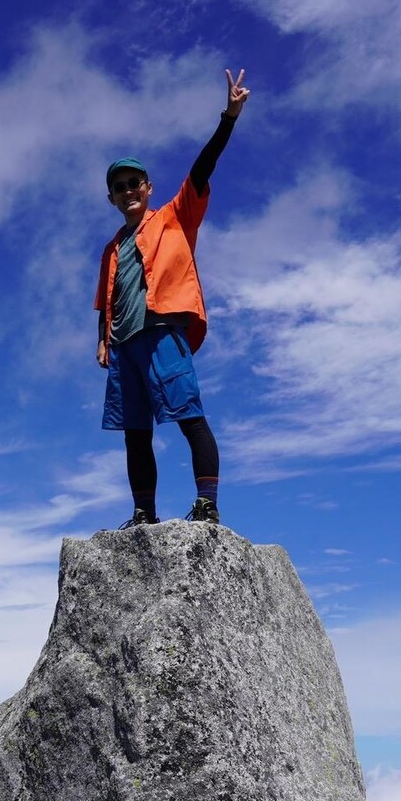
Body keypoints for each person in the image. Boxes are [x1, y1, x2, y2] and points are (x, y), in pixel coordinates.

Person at [95, 69, 251, 528]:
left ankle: (207, 503)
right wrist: (103, 338)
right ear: (112, 198)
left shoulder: (175, 217)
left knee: (189, 416)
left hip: (163, 332)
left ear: (148, 188)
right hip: (124, 346)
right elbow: (107, 299)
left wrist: (229, 117)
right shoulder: (110, 248)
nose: (128, 191)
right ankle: (144, 512)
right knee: (135, 435)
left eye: (134, 183)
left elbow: (203, 168)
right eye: (119, 187)